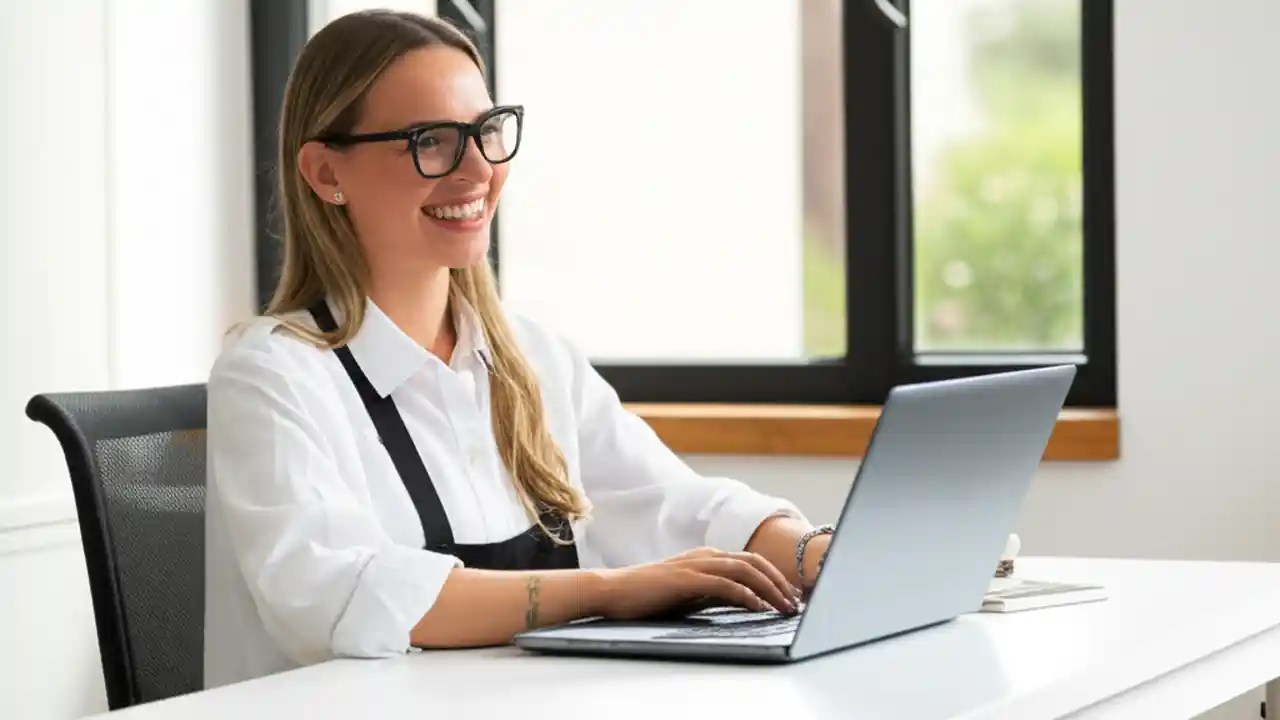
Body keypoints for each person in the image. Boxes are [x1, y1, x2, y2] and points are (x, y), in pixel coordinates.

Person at [204, 9, 832, 689]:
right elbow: (341, 595)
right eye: (430, 141)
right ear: (327, 171)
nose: (479, 169)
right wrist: (607, 591)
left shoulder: (534, 357)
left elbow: (672, 503)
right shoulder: (273, 374)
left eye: (486, 132)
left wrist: (812, 554)